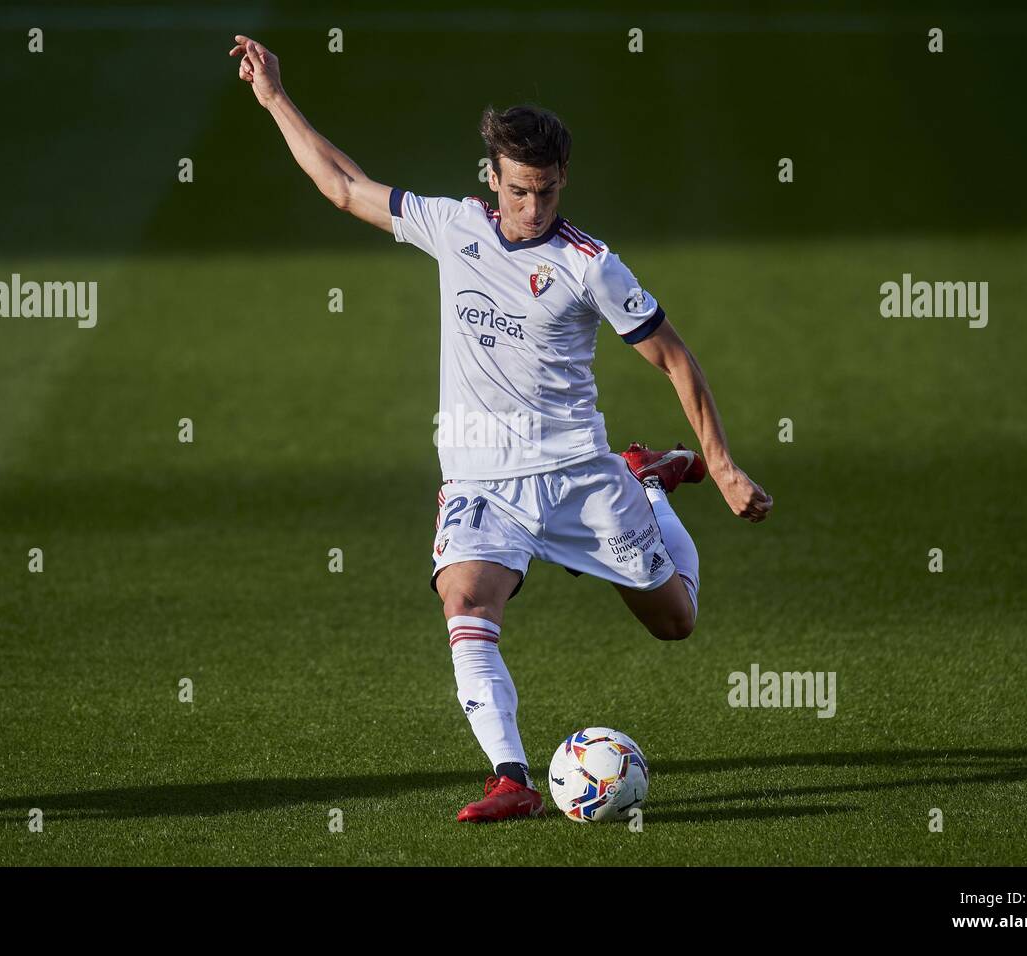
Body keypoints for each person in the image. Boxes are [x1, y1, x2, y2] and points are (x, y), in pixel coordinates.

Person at [230, 35, 773, 822]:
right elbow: (345, 187)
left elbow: (676, 360)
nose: (532, 209)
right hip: (482, 478)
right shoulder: (455, 228)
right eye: (519, 191)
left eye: (547, 192)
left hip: (580, 475)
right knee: (465, 601)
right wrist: (276, 96)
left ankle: (650, 485)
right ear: (491, 178)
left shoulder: (590, 265)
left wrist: (721, 469)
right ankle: (511, 778)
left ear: (562, 185)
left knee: (676, 622)